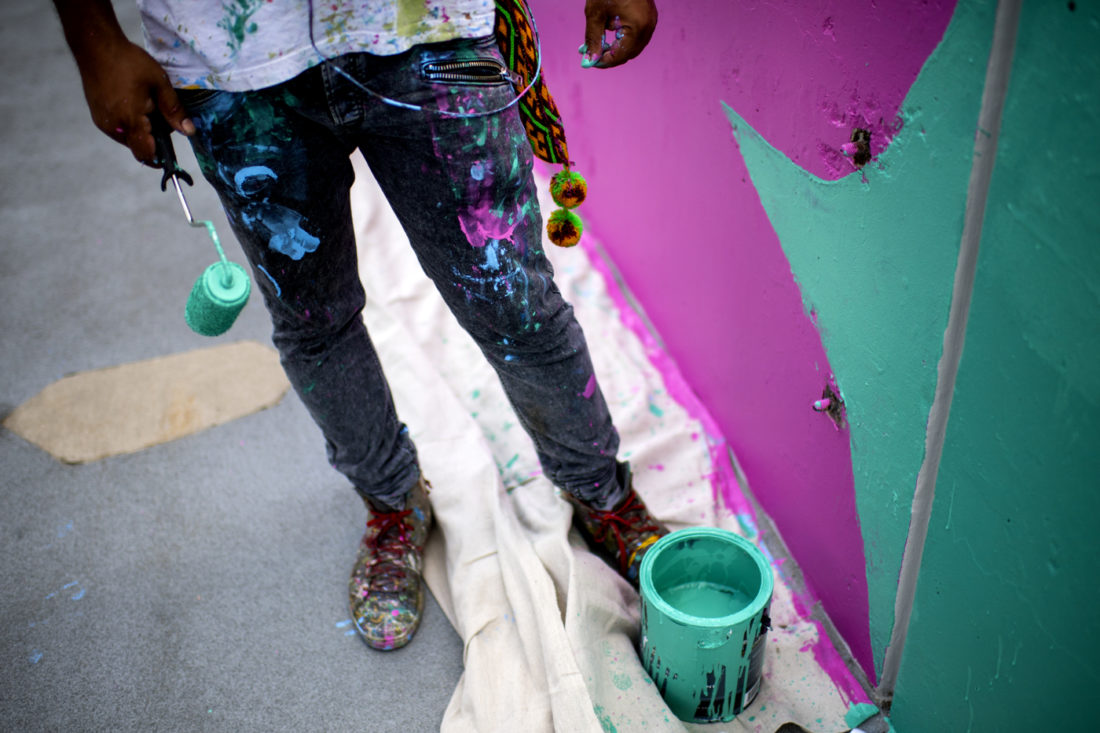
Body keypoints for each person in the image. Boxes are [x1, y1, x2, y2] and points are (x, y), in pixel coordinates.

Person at [54, 0, 666, 651]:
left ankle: (603, 495)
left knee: (512, 298)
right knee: (315, 319)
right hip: (227, 60)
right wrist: (94, 40)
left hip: (429, 28)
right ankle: (394, 505)